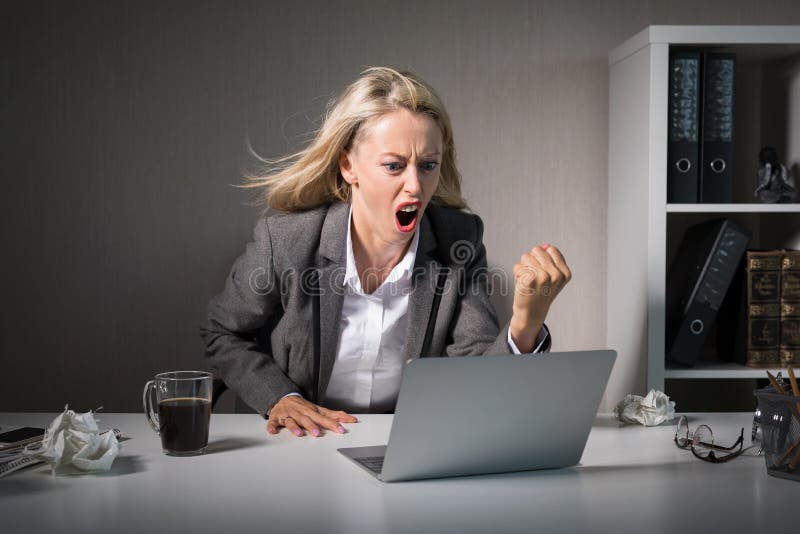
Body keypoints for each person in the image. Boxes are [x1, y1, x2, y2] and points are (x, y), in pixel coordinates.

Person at [201, 67, 571, 439]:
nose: (415, 186)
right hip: (299, 444)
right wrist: (280, 396)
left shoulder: (459, 241)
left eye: (428, 166)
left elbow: (476, 380)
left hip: (403, 442)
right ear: (349, 166)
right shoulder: (285, 240)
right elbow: (221, 332)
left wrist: (525, 323)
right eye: (394, 166)